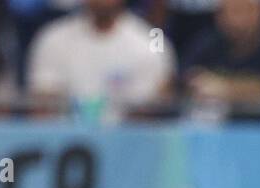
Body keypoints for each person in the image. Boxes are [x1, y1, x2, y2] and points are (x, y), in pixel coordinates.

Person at [27, 0, 177, 113]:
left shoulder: (150, 42)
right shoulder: (52, 38)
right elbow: (42, 106)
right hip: (65, 143)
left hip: (129, 145)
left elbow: (151, 113)